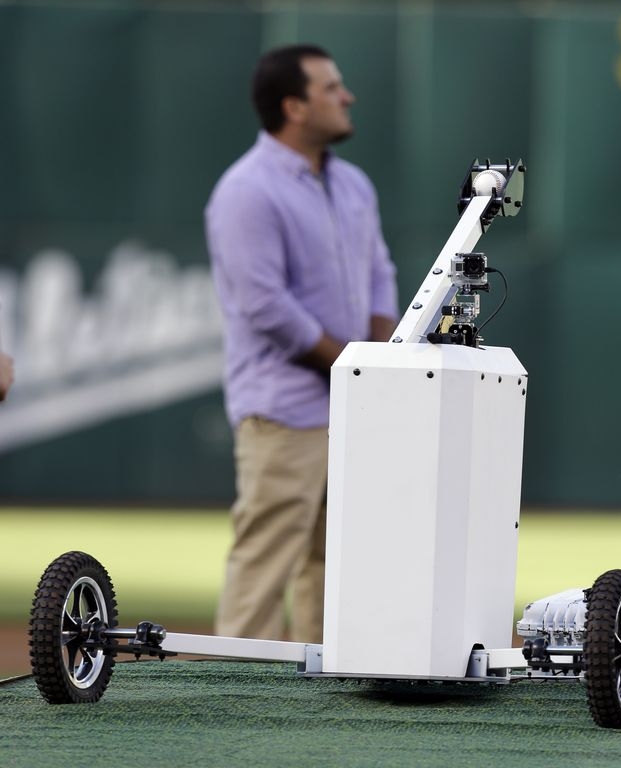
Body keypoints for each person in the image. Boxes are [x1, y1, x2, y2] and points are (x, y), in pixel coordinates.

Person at [205, 44, 399, 643]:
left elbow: (380, 272)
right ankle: (232, 696)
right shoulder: (246, 189)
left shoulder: (353, 184)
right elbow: (264, 304)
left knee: (336, 569)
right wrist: (354, 363)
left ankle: (321, 696)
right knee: (266, 562)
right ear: (293, 105)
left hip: (351, 406)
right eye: (332, 87)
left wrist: (379, 350)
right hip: (285, 408)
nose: (347, 97)